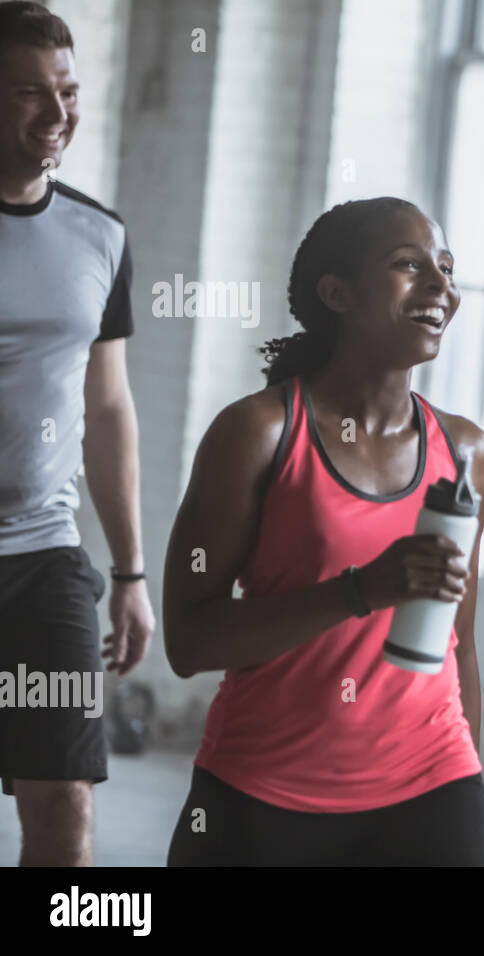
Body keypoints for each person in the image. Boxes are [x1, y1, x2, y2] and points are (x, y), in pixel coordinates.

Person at [163, 197, 484, 865]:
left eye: (448, 269)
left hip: (431, 783)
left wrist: (469, 795)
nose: (441, 286)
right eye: (409, 265)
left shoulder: (466, 451)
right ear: (336, 292)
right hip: (265, 792)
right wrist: (358, 591)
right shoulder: (258, 433)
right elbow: (189, 641)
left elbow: (458, 646)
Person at [0, 1, 153, 866]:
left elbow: (107, 409)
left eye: (68, 90)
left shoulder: (99, 234)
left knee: (64, 807)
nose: (57, 114)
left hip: (46, 563)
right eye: (28, 92)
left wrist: (130, 571)